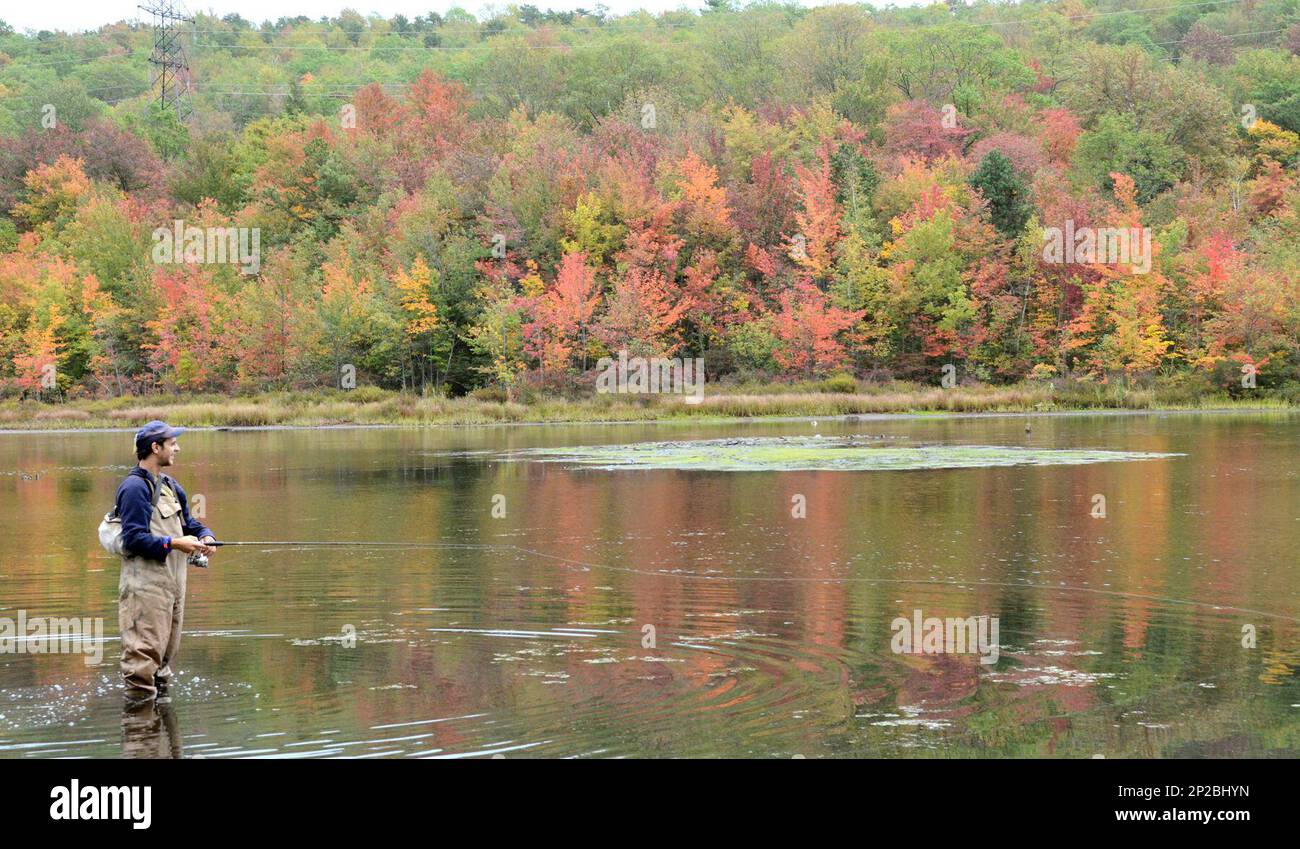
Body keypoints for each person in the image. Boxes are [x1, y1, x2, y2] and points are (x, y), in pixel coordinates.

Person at [114, 420, 216, 704]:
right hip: (144, 588)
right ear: (155, 447)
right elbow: (133, 539)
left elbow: (191, 524)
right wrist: (174, 543)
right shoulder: (134, 488)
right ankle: (140, 732)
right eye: (172, 444)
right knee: (141, 661)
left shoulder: (170, 485)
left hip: (173, 585)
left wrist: (206, 537)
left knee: (164, 660)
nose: (177, 448)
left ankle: (160, 726)